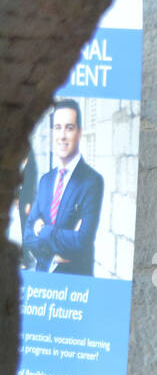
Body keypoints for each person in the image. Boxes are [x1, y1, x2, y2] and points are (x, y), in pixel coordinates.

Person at [23, 100, 103, 276]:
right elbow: (28, 235)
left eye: (69, 128)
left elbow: (82, 241)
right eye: (58, 128)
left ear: (79, 133)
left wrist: (42, 230)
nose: (62, 136)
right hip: (43, 279)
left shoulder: (92, 181)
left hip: (74, 281)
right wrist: (52, 255)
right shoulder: (45, 181)